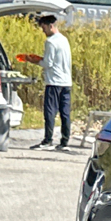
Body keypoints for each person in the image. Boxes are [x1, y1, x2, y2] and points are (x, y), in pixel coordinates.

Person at [30, 14, 73, 151]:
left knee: (50, 111)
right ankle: (64, 141)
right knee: (65, 113)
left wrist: (34, 60)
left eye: (44, 28)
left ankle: (48, 140)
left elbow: (48, 63)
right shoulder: (64, 40)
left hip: (54, 81)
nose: (43, 32)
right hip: (66, 81)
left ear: (50, 26)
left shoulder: (50, 42)